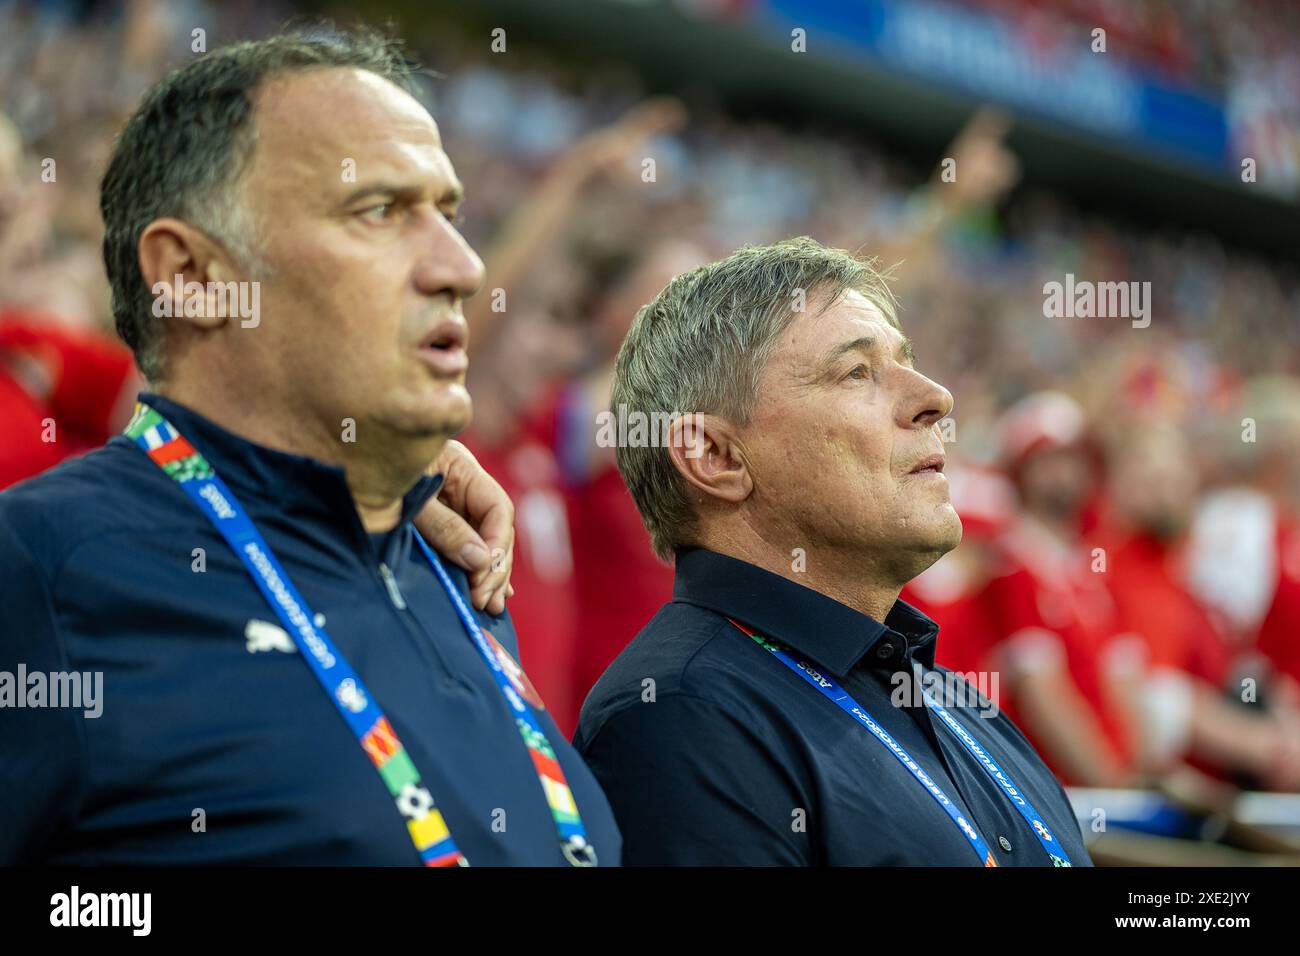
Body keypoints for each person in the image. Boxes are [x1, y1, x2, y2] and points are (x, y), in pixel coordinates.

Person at [0, 28, 619, 866]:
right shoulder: (43, 571)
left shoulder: (451, 562)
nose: (464, 266)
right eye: (379, 211)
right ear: (190, 277)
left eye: (449, 213)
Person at [575, 236, 1090, 866]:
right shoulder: (680, 720)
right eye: (857, 372)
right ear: (717, 456)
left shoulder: (956, 703)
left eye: (907, 360)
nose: (936, 398)